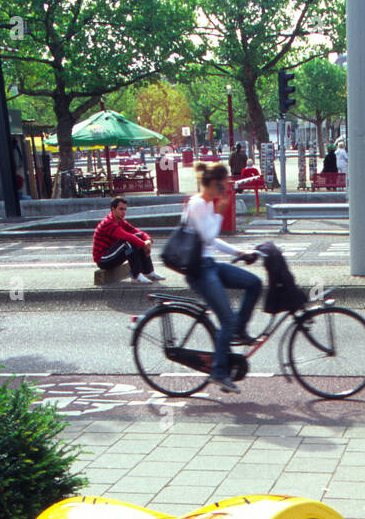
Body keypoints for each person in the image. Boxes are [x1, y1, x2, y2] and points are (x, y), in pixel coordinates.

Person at [182, 161, 262, 394]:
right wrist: (220, 212)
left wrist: (239, 252)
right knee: (226, 319)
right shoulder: (197, 204)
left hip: (210, 264)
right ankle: (218, 372)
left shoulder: (206, 205)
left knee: (253, 283)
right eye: (223, 184)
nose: (225, 188)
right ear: (212, 183)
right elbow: (208, 236)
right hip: (198, 270)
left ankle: (238, 330)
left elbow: (213, 241)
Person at [92, 198, 163, 283]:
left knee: (138, 237)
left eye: (125, 209)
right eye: (121, 209)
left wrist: (148, 240)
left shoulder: (120, 221)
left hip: (113, 254)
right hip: (103, 259)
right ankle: (136, 275)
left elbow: (136, 231)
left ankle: (149, 272)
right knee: (127, 242)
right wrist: (144, 245)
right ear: (113, 209)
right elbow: (126, 236)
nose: (124, 212)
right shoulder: (108, 223)